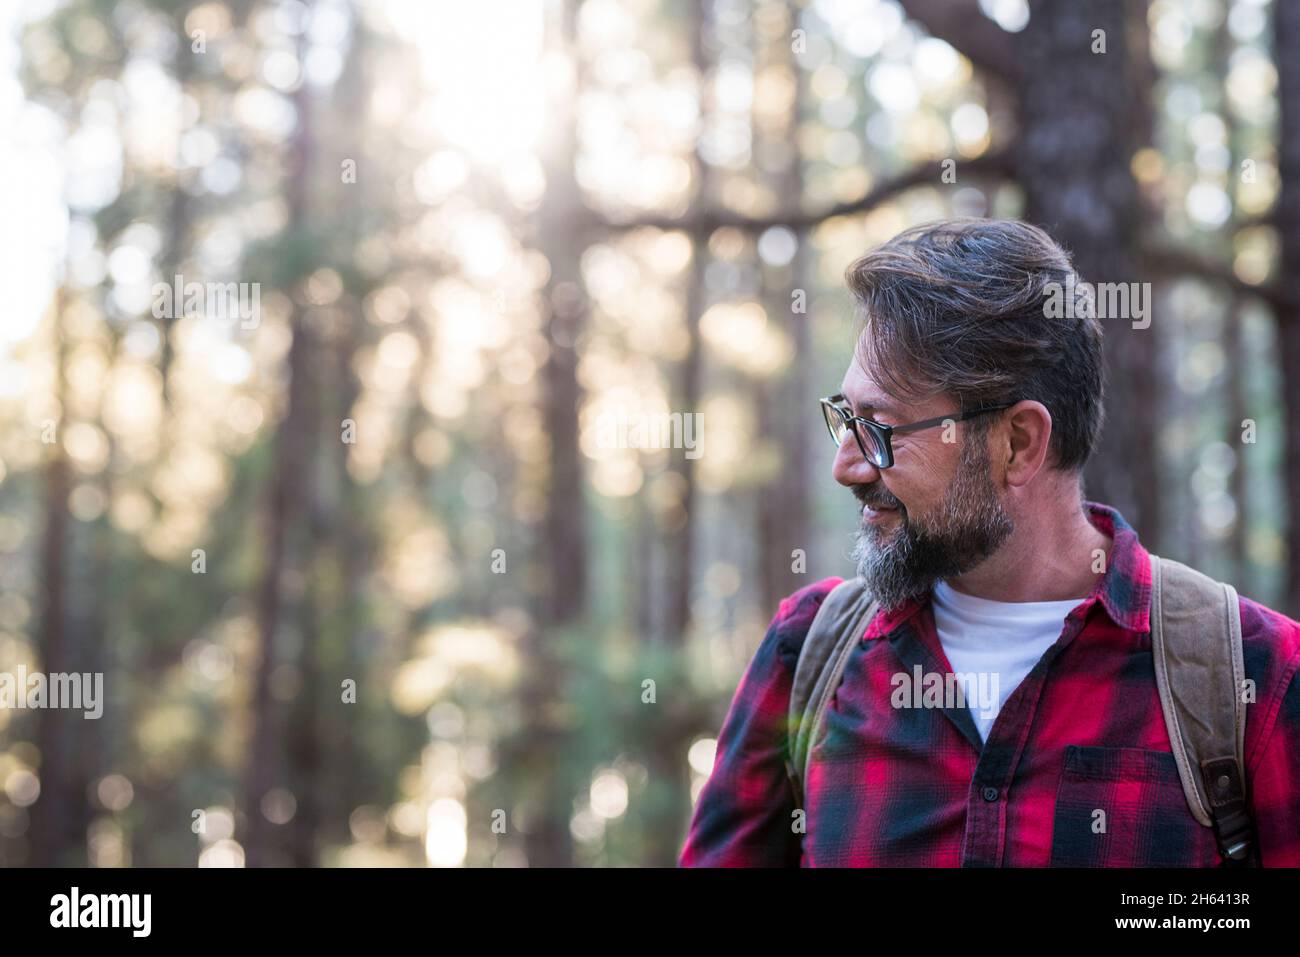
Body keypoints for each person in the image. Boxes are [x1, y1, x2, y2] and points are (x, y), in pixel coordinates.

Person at [678, 218, 1300, 867]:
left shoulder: (1252, 676)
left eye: (881, 430)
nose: (847, 466)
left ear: (1018, 443)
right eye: (846, 417)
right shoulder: (806, 651)